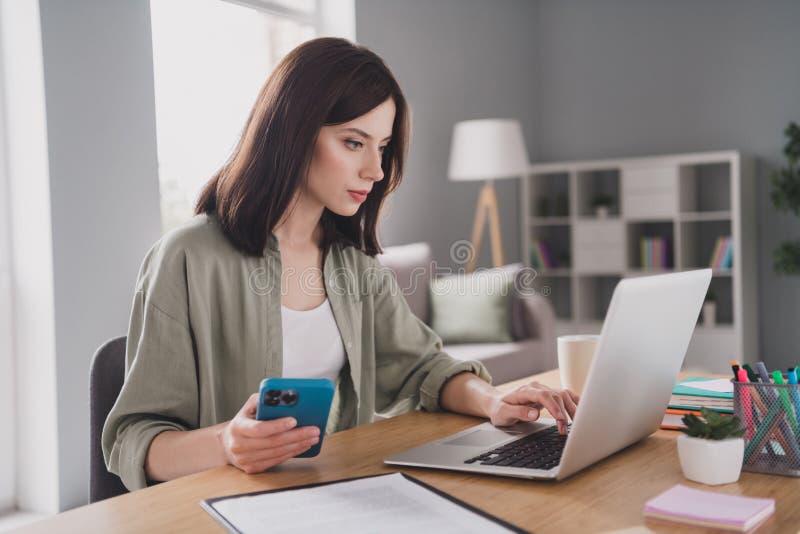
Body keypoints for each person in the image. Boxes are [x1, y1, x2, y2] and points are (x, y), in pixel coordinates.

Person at [103, 37, 578, 492]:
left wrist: (494, 400)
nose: (375, 171)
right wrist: (225, 443)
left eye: (383, 147)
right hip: (216, 508)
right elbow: (135, 439)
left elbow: (425, 369)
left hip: (331, 490)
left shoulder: (356, 269)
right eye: (354, 142)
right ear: (294, 131)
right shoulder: (187, 257)